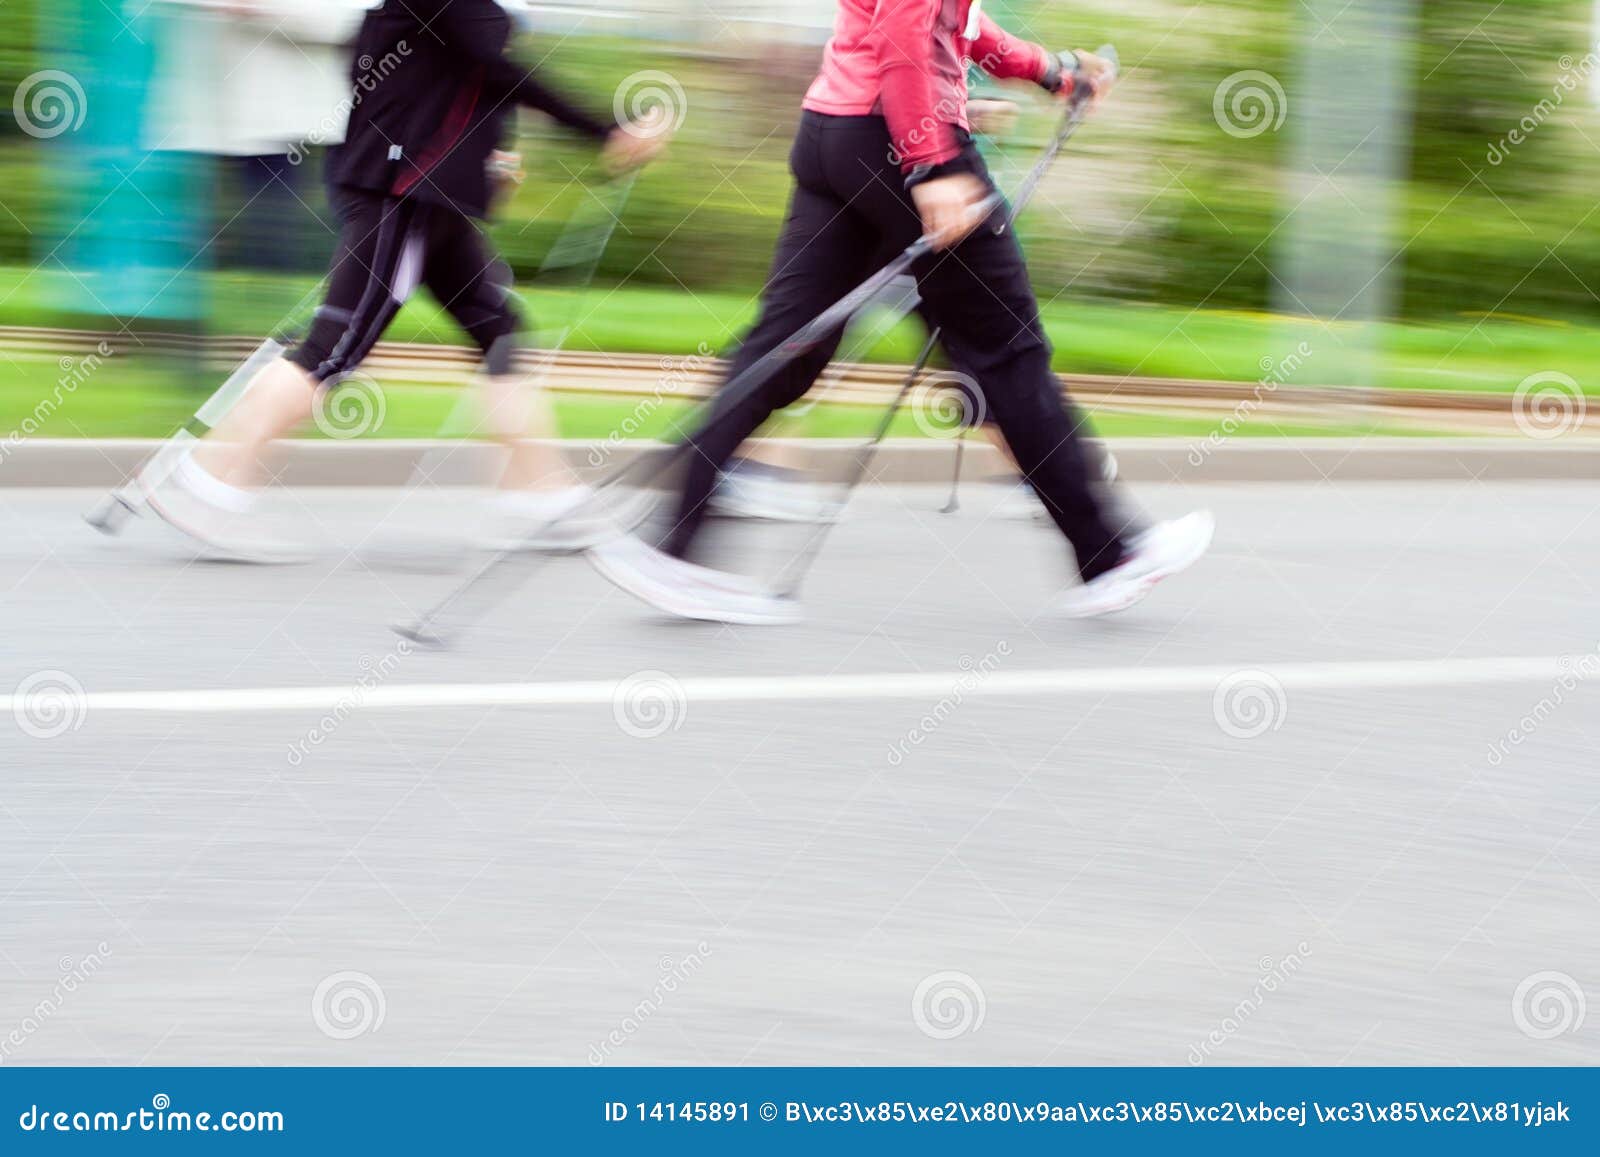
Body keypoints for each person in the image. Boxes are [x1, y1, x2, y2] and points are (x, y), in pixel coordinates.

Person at [591, 0, 1212, 624]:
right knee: (1008, 352)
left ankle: (670, 551)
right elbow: (907, 29)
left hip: (835, 136)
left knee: (783, 349)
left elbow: (955, 22)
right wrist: (932, 165)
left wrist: (1051, 70)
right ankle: (1111, 554)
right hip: (900, 140)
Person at [145, 0, 664, 559]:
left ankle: (537, 496)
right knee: (333, 347)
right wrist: (606, 131)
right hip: (406, 194)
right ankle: (209, 481)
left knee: (500, 331)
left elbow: (456, 71)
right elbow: (498, 69)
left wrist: (489, 149)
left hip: (423, 194)